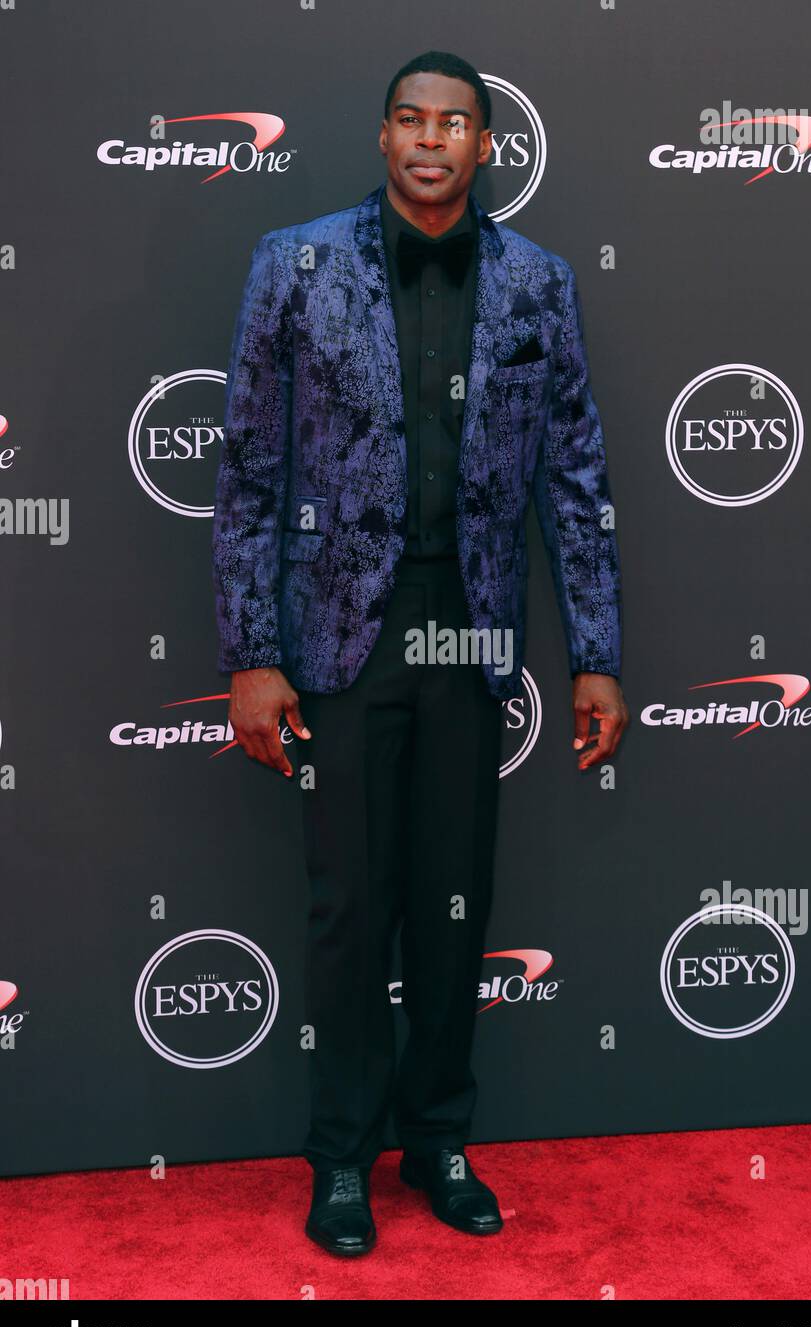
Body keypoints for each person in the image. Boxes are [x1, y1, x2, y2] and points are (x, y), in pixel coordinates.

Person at [211, 49, 628, 1258]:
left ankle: (439, 1137)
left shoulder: (541, 285)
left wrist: (593, 651)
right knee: (350, 909)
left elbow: (577, 472)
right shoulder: (294, 264)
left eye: (453, 122)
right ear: (384, 140)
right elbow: (245, 470)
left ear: (486, 146)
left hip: (472, 630)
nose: (430, 138)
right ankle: (340, 1157)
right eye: (409, 119)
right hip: (340, 634)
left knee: (454, 905)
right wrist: (250, 648)